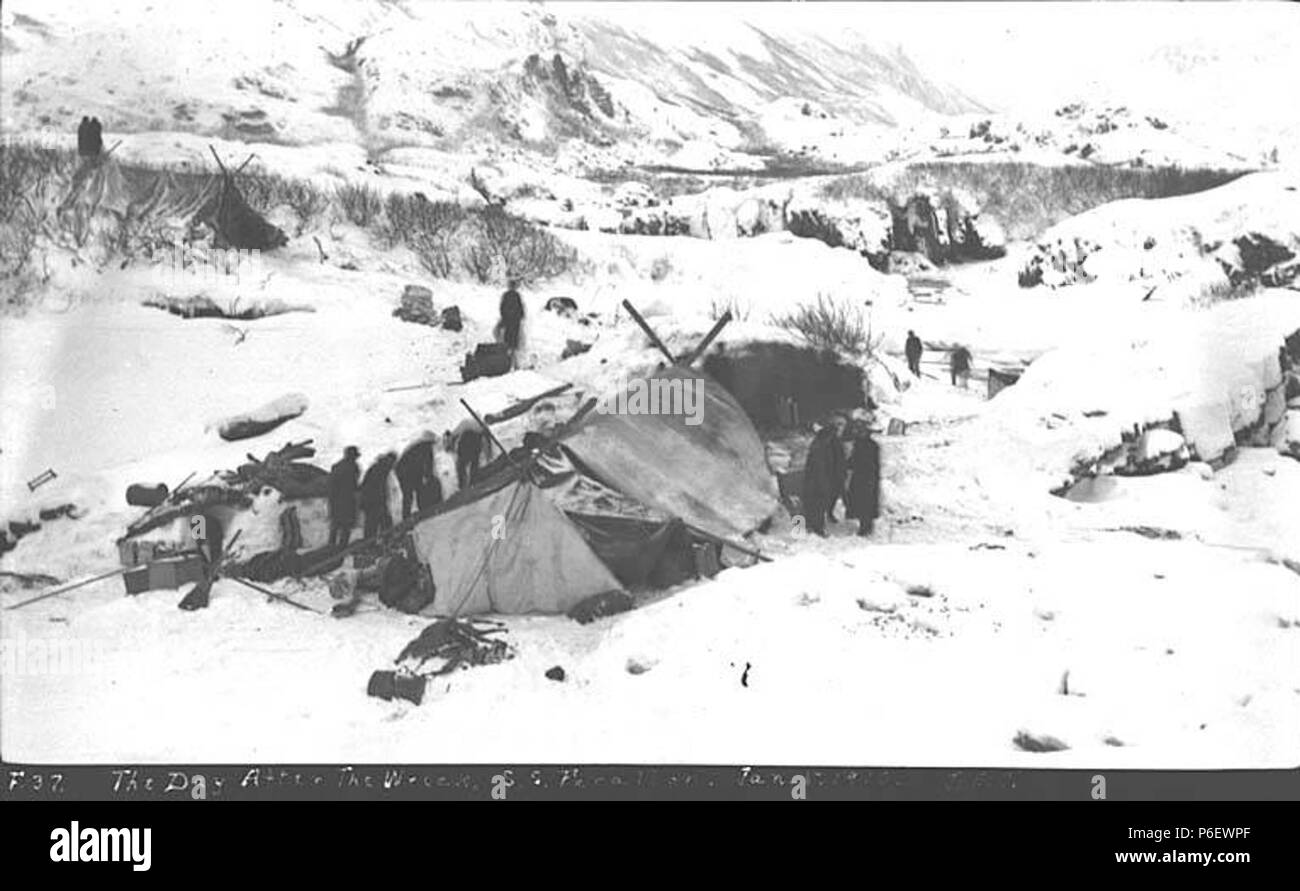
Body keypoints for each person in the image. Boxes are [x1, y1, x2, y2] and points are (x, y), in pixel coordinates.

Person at [801, 415, 847, 537]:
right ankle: (815, 528)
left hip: (823, 477)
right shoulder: (824, 444)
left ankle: (814, 526)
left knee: (818, 503)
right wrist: (824, 482)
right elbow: (821, 465)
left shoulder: (824, 442)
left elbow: (836, 459)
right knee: (817, 504)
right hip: (820, 479)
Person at [845, 418, 881, 538]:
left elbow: (860, 461)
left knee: (864, 502)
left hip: (865, 477)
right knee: (863, 502)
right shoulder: (867, 445)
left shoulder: (866, 445)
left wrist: (848, 464)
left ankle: (865, 526)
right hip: (865, 477)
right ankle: (865, 525)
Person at [395, 435, 437, 520]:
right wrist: (428, 476)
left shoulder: (416, 447)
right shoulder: (424, 448)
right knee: (411, 493)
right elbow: (428, 464)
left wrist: (427, 475)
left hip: (407, 473)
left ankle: (411, 513)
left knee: (413, 492)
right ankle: (416, 512)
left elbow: (428, 465)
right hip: (407, 473)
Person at [327, 446, 361, 547]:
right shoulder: (353, 467)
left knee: (335, 525)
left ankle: (331, 547)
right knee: (345, 527)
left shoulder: (337, 467)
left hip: (336, 500)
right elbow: (354, 486)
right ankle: (341, 548)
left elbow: (331, 486)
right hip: (347, 501)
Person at [359, 452, 397, 539]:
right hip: (374, 502)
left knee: (379, 523)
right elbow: (374, 488)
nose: (392, 465)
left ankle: (382, 541)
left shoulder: (379, 468)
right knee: (377, 523)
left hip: (374, 501)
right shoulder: (380, 469)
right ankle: (373, 544)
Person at [497, 279, 525, 359]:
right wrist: (521, 316)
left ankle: (508, 349)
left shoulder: (506, 295)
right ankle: (512, 350)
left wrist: (503, 316)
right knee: (514, 335)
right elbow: (520, 307)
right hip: (515, 319)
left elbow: (502, 307)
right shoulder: (516, 295)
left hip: (509, 319)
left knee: (508, 334)